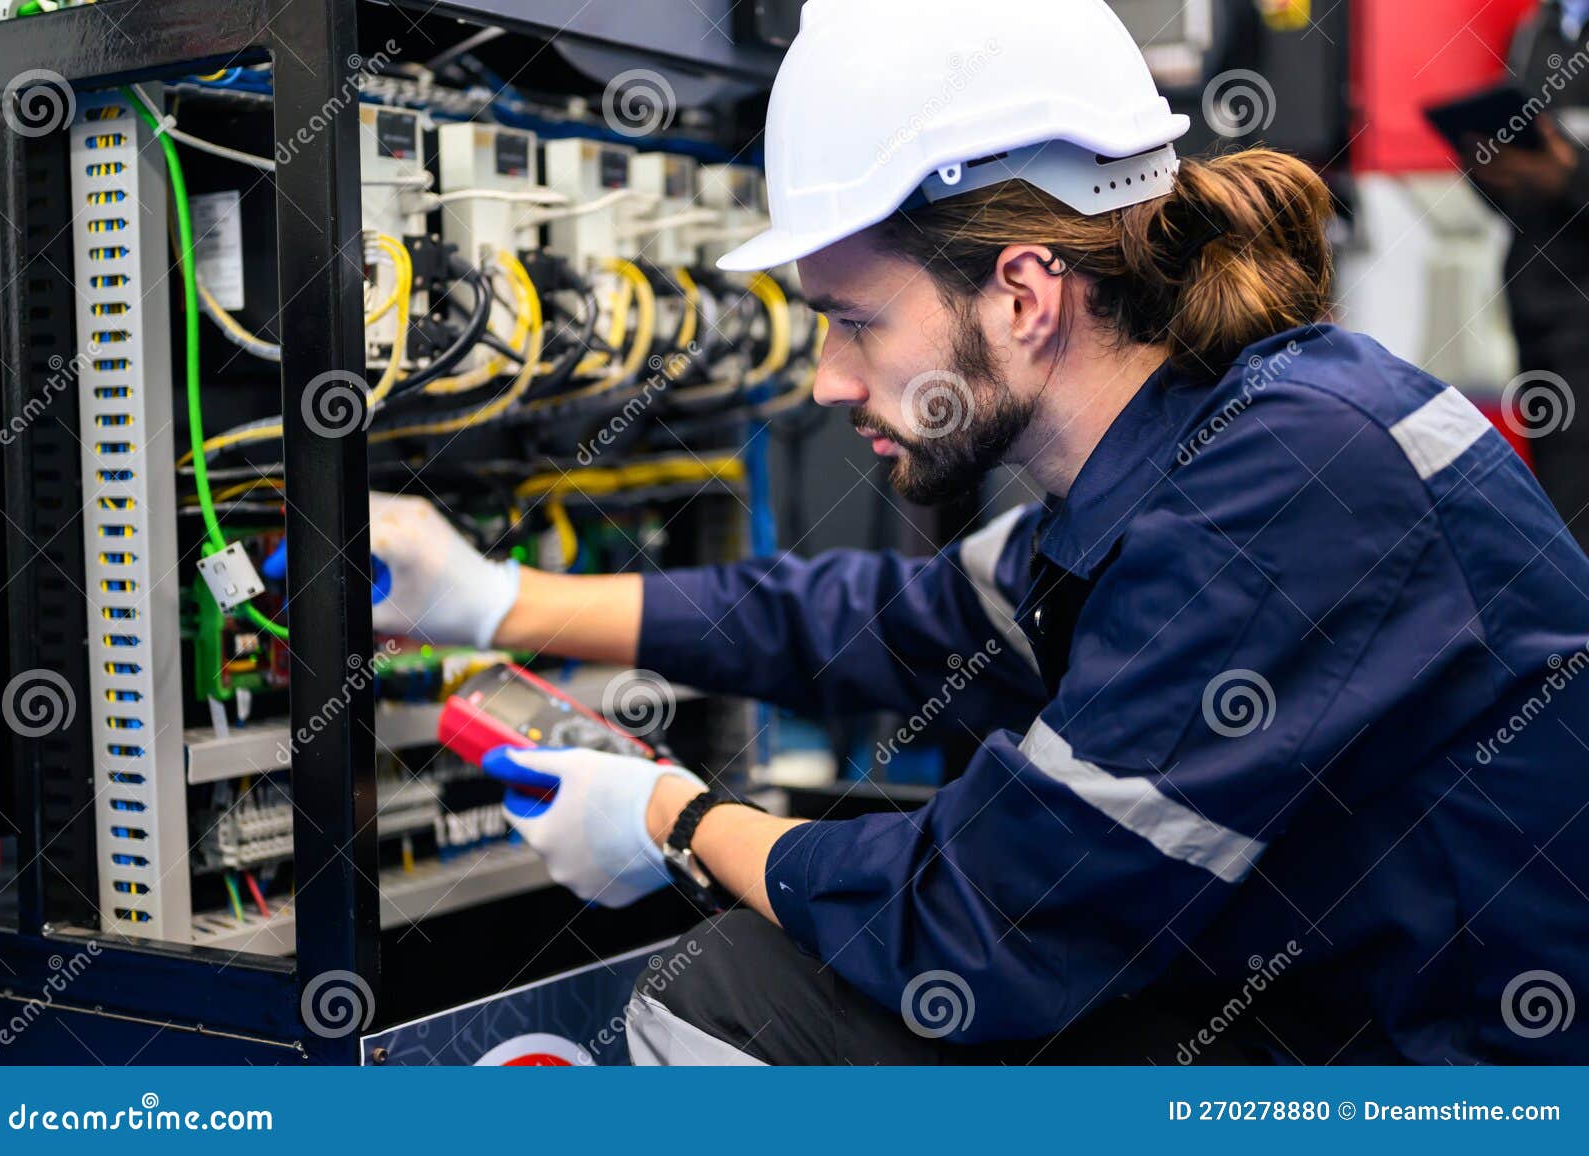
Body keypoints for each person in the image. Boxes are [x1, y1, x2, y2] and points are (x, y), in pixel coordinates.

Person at [372, 0, 1589, 1064]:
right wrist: (489, 600)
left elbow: (982, 924)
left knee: (735, 999)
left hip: (1450, 1078)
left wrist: (672, 822)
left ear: (1021, 291)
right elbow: (885, 623)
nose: (828, 380)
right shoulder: (1194, 444)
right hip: (1335, 1020)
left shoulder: (1287, 483)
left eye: (852, 320)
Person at [1469, 0, 1589, 550]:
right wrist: (1492, 172)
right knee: (1559, 498)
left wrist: (1568, 176)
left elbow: (1563, 170)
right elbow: (1522, 186)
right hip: (1538, 306)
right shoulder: (1533, 32)